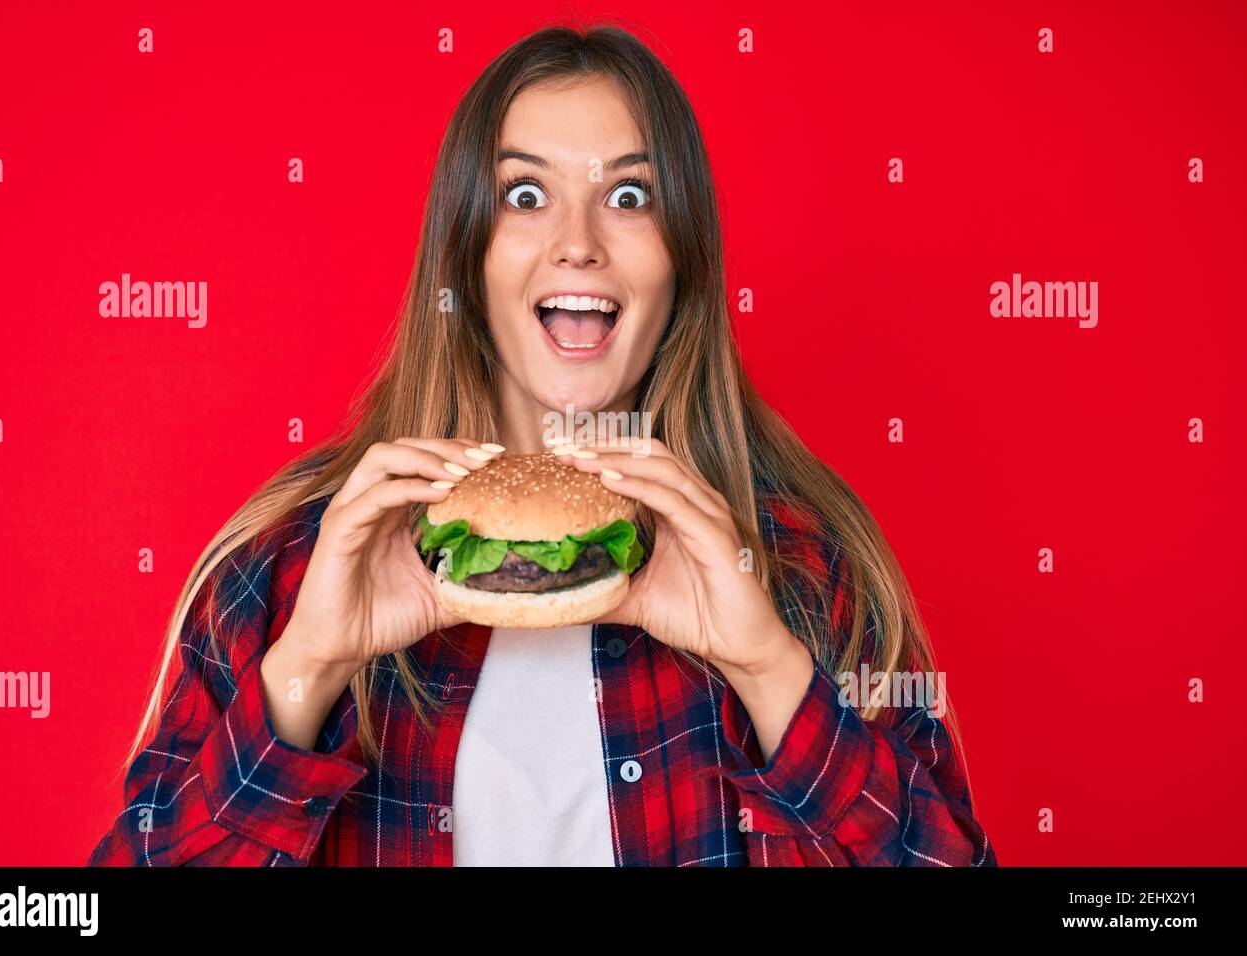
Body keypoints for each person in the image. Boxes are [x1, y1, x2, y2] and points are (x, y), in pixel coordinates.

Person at [88, 23, 996, 867]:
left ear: (683, 258)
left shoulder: (803, 568)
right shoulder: (292, 566)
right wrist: (310, 668)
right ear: (466, 253)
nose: (578, 245)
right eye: (527, 196)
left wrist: (768, 670)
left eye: (629, 196)